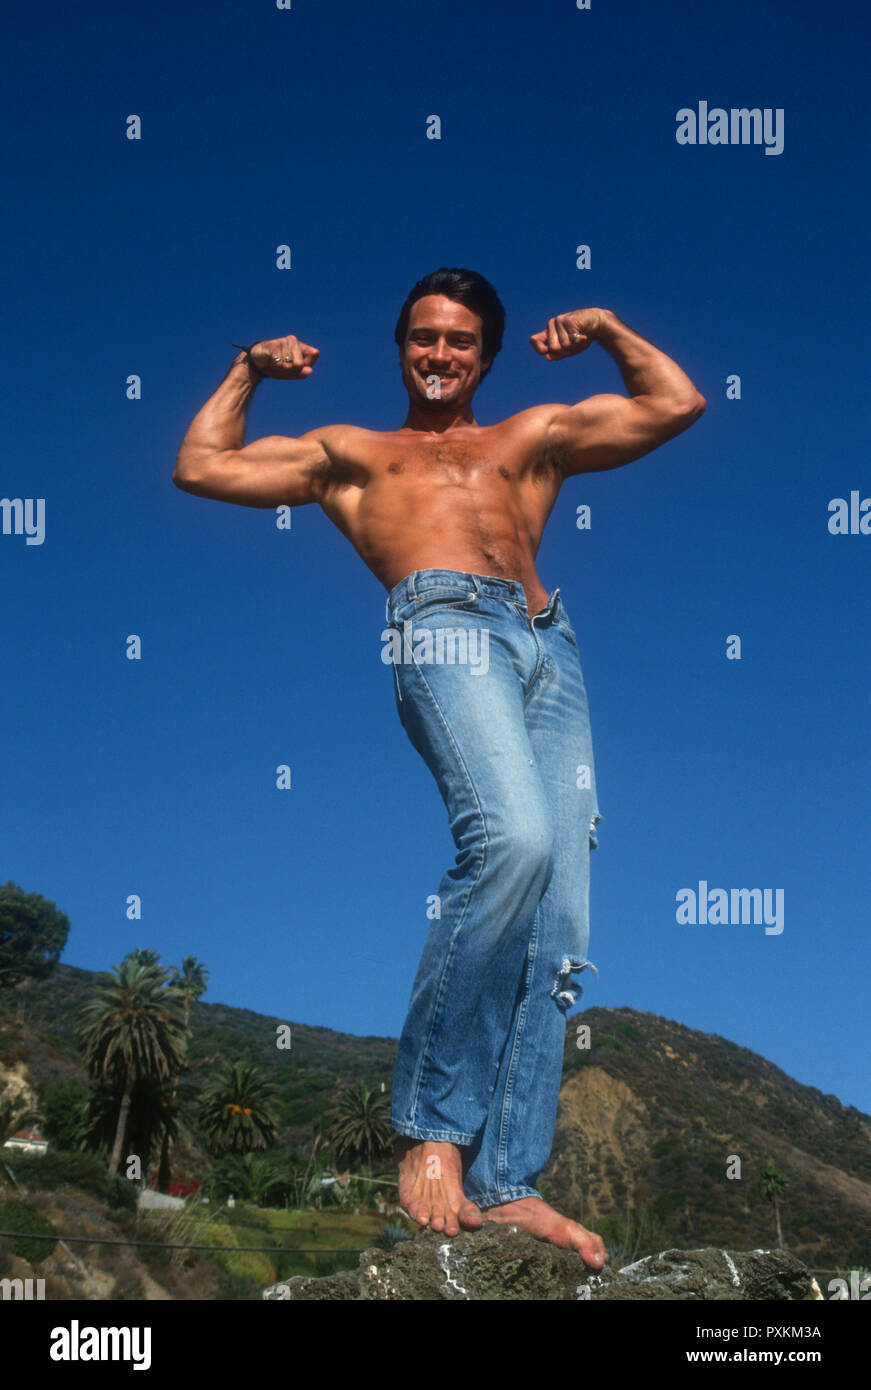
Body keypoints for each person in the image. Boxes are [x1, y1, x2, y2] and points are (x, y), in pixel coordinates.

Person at [173, 269, 705, 1268]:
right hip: (442, 622)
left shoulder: (530, 438)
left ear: (486, 356)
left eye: (460, 341)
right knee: (511, 839)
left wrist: (607, 328)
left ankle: (506, 1176)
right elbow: (201, 465)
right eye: (423, 336)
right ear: (400, 345)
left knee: (557, 927)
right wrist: (248, 367)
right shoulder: (352, 454)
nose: (439, 353)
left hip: (549, 643)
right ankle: (429, 1125)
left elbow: (675, 402)